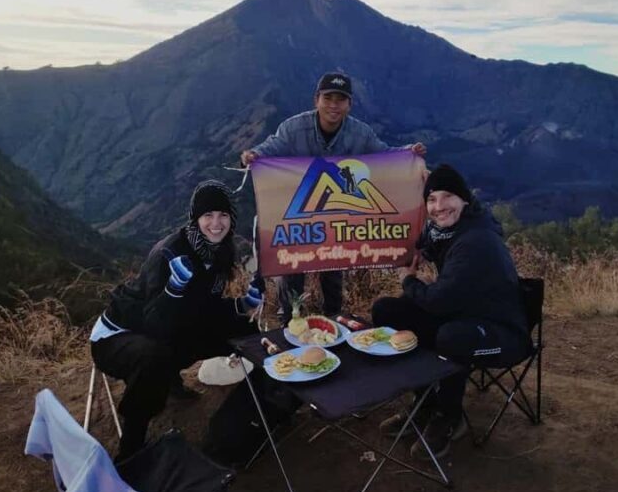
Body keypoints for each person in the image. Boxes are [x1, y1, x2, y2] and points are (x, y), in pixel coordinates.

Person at [89, 180, 265, 461]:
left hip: (167, 327)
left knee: (244, 329)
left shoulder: (219, 252)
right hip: (116, 337)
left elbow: (203, 308)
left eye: (223, 215)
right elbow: (155, 321)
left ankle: (263, 409)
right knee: (155, 356)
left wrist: (242, 304)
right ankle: (131, 447)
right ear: (195, 219)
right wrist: (174, 288)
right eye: (208, 216)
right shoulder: (169, 254)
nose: (216, 223)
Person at [371, 164, 530, 459]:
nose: (438, 206)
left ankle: (449, 416)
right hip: (462, 312)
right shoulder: (448, 228)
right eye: (431, 199)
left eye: (447, 197)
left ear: (464, 200)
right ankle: (425, 400)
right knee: (387, 312)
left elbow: (437, 302)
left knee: (451, 337)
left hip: (500, 330)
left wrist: (407, 279)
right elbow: (425, 243)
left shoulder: (475, 241)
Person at [240, 71, 427, 321]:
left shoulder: (361, 133)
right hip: (299, 214)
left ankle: (334, 318)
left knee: (334, 261)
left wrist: (408, 153)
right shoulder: (293, 128)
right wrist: (252, 155)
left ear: (349, 104)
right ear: (316, 99)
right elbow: (269, 149)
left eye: (341, 99)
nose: (334, 105)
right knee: (292, 265)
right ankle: (290, 319)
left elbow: (385, 155)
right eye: (328, 98)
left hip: (337, 214)